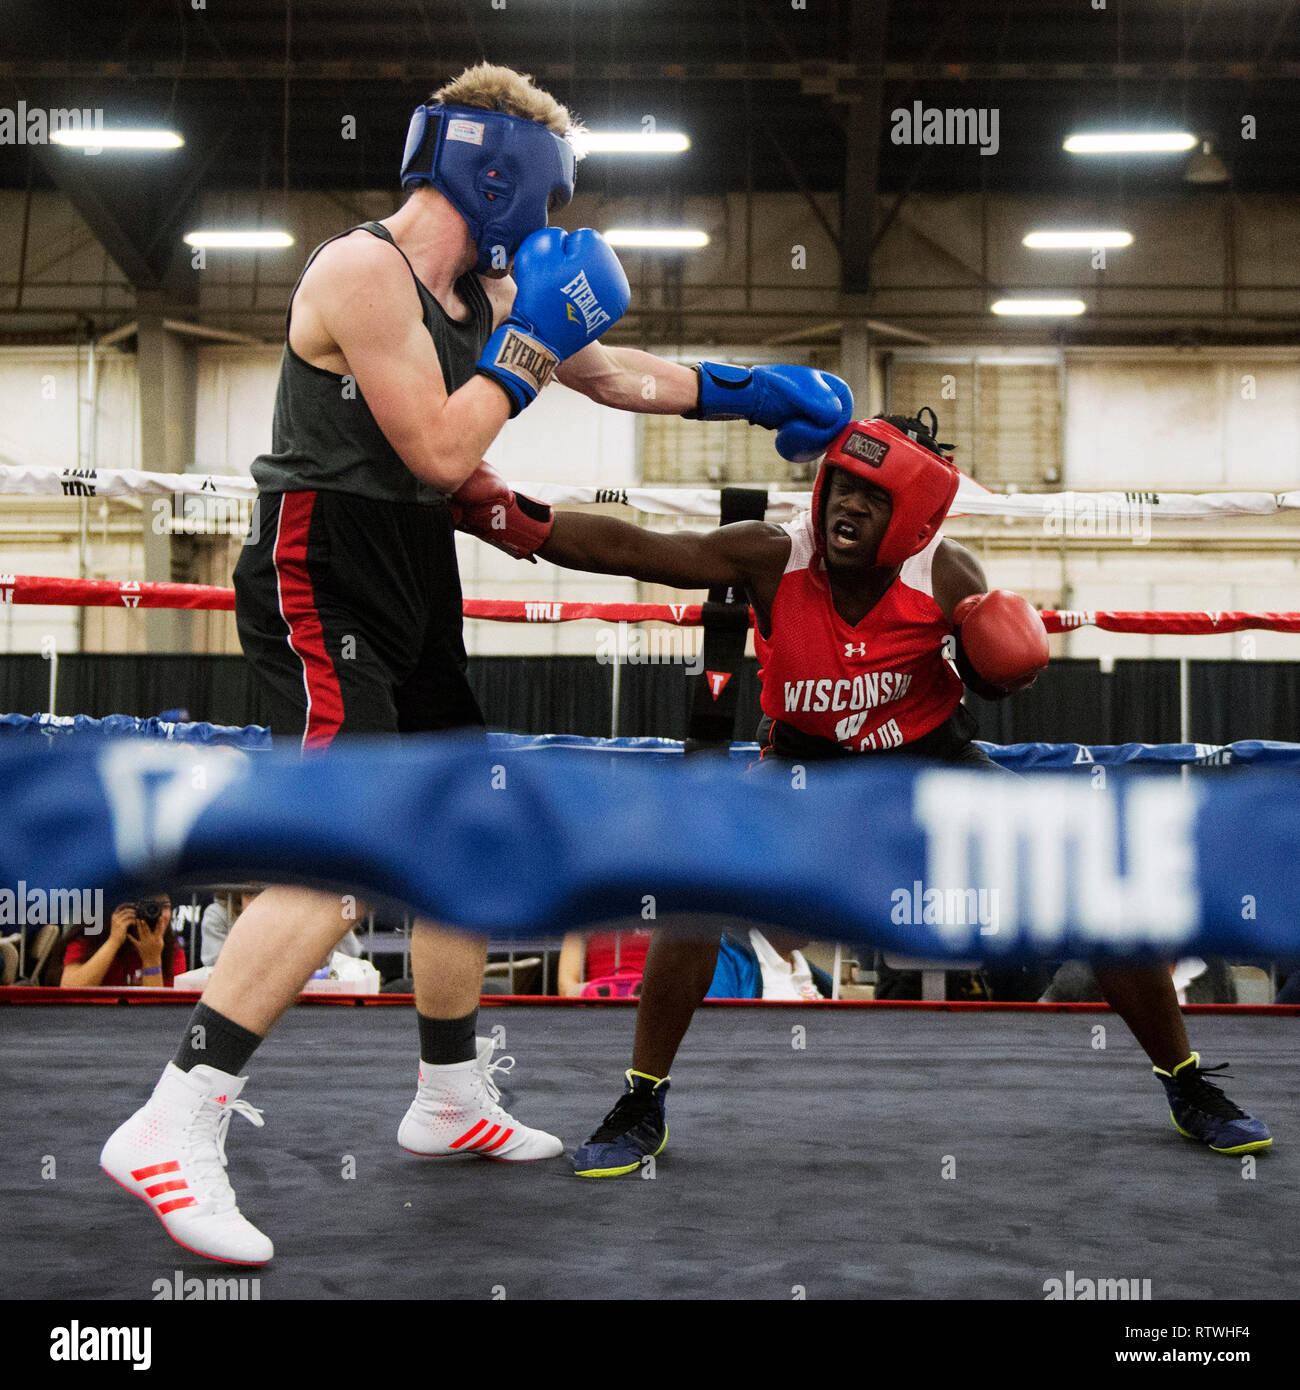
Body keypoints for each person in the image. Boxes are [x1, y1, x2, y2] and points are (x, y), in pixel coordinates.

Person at [100, 61, 853, 1266]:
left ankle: (447, 1097)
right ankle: (174, 1116)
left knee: (456, 827)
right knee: (342, 847)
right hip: (322, 565)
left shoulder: (488, 282)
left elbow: (607, 371)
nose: (549, 226)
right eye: (546, 193)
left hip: (410, 575)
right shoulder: (360, 273)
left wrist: (757, 393)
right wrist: (522, 343)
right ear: (496, 169)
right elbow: (447, 449)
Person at [525, 408, 1273, 1175]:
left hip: (932, 766)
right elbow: (641, 546)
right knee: (694, 893)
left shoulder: (946, 575)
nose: (849, 504)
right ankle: (641, 1100)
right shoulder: (774, 554)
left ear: (911, 517)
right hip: (803, 771)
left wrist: (994, 661)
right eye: (842, 485)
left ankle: (1186, 1084)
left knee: (1098, 883)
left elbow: (991, 684)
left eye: (873, 497)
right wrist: (517, 522)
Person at [62, 895, 185, 988]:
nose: (157, 914)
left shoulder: (172, 949)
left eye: (164, 906)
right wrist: (113, 942)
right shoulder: (90, 937)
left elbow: (159, 1014)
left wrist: (152, 960)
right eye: (146, 906)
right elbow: (68, 991)